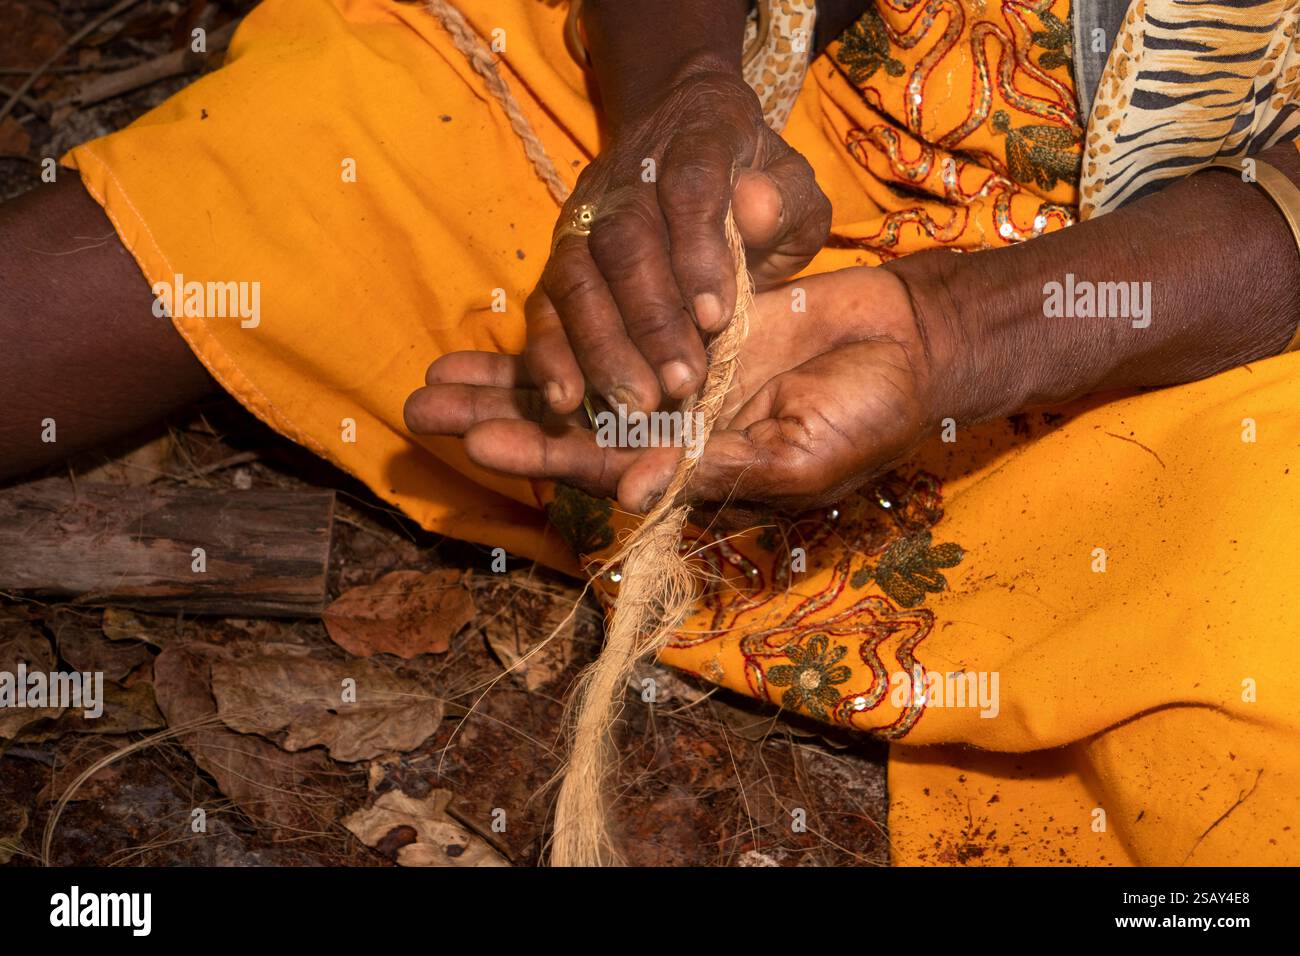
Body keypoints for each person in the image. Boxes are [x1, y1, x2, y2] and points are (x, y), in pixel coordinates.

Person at [2, 0, 1299, 865]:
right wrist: (678, 101)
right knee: (287, 164)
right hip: (740, 120)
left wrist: (955, 335)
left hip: (1160, 312)